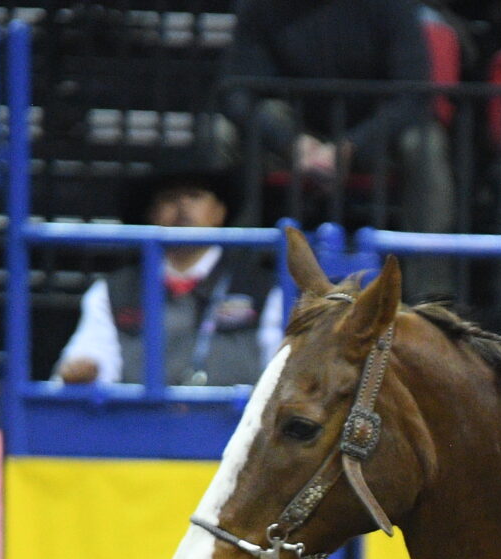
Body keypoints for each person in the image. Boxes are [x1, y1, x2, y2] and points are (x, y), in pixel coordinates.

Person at [222, 0, 457, 297]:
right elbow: (237, 93)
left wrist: (350, 146)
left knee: (425, 144)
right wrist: (292, 143)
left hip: (374, 137)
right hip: (296, 137)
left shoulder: (394, 7)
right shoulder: (261, 7)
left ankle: (431, 293)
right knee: (225, 134)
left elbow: (412, 96)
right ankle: (230, 277)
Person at [53, 162, 283, 388]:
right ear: (152, 214)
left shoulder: (263, 288)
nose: (182, 205)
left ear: (220, 212)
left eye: (194, 196)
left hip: (232, 422)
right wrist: (85, 370)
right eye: (170, 198)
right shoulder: (114, 290)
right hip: (138, 423)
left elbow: (280, 371)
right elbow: (90, 354)